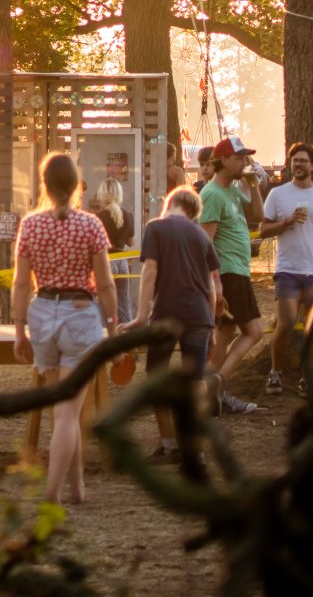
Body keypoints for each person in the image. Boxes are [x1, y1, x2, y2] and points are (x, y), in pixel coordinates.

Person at [12, 152, 118, 503]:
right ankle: (53, 493)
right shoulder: (90, 225)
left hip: (43, 314)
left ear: (44, 184)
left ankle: (76, 486)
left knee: (64, 413)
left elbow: (21, 283)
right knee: (69, 413)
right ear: (76, 186)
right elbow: (105, 285)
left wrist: (18, 329)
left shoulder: (30, 224)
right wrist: (113, 330)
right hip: (79, 314)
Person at [126, 187, 221, 464]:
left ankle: (168, 443)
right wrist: (212, 326)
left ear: (169, 203)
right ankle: (196, 448)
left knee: (157, 376)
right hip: (200, 315)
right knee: (197, 381)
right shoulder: (201, 235)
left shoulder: (156, 228)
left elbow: (150, 271)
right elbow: (212, 285)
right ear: (193, 213)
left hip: (167, 315)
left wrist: (141, 315)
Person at [257, 142, 313, 395]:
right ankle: (275, 373)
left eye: (304, 161)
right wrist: (287, 222)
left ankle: (307, 376)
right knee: (285, 323)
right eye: (295, 160)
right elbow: (263, 230)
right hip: (288, 270)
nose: (299, 164)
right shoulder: (278, 195)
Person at [198, 136, 263, 413]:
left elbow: (259, 214)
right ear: (223, 160)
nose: (245, 162)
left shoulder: (234, 190)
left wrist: (254, 183)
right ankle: (215, 386)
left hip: (238, 271)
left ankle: (212, 396)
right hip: (227, 273)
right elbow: (205, 243)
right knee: (254, 332)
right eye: (240, 158)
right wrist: (215, 284)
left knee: (225, 334)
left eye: (246, 158)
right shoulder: (212, 194)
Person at [91, 174, 135, 323]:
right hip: (122, 262)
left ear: (102, 194)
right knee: (123, 303)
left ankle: (104, 338)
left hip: (105, 262)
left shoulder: (98, 217)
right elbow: (131, 242)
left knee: (102, 303)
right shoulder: (128, 215)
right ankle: (126, 340)